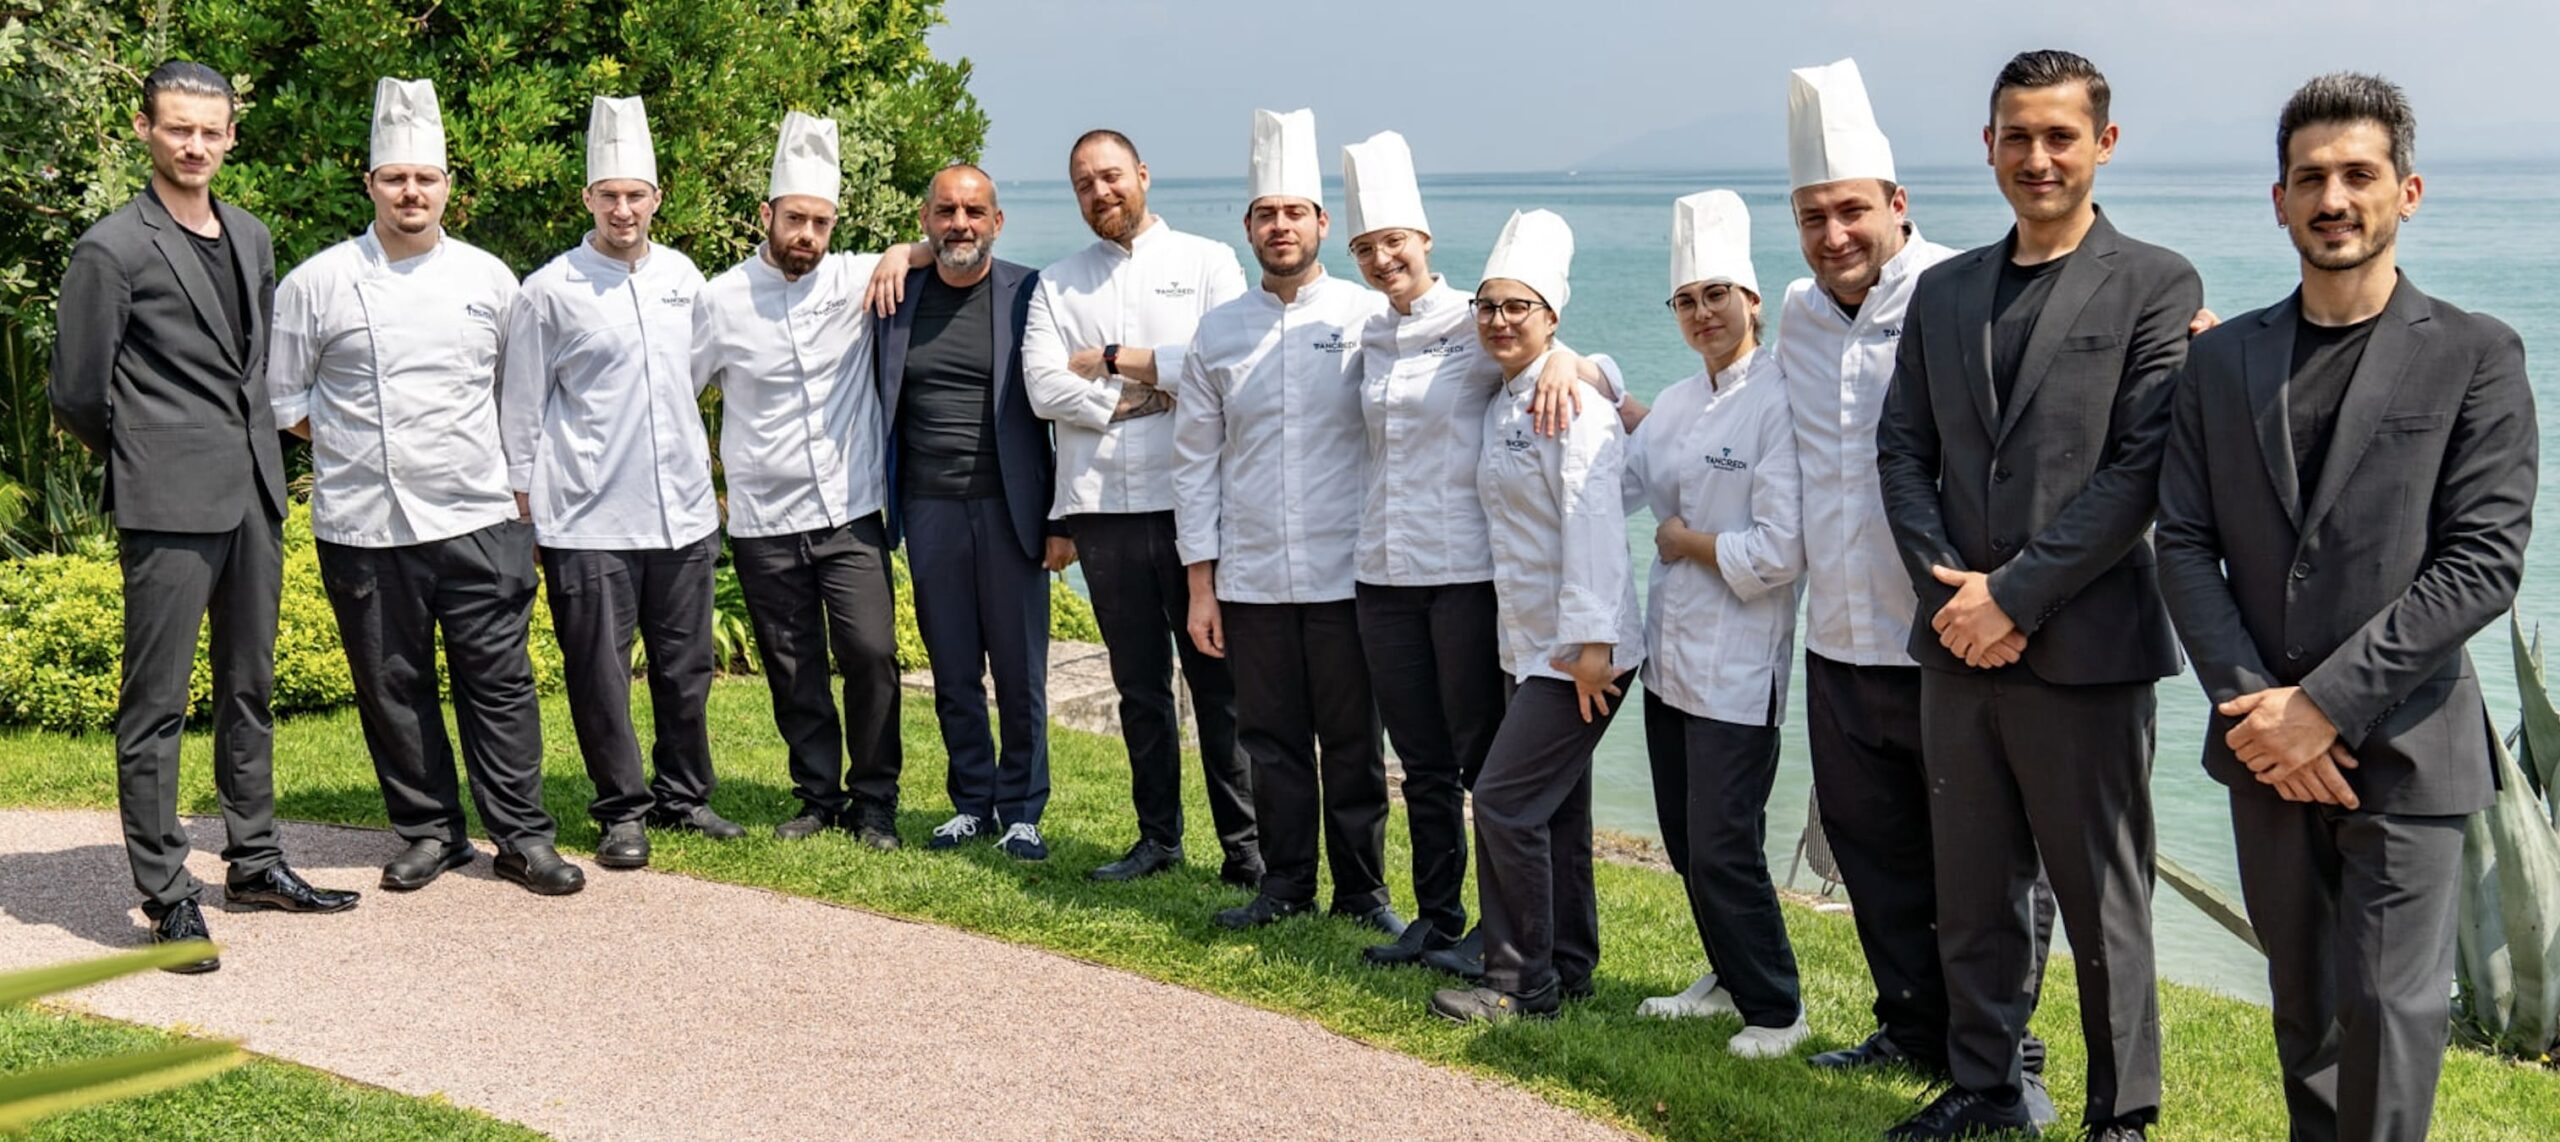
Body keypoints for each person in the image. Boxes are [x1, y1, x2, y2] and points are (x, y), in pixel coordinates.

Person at [2156, 72, 2535, 1142]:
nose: (2334, 197)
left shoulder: (2476, 356)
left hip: (2408, 748)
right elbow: (2181, 538)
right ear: (2275, 199)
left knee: (2388, 1012)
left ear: (2406, 191)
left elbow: (2481, 561)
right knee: (2306, 1012)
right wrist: (2254, 708)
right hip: (2263, 747)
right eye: (2309, 177)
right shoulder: (2220, 361)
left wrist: (2320, 705)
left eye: (2357, 174)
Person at [1876, 50, 2201, 1141]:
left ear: (2101, 145)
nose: (2036, 156)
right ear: (1987, 145)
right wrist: (1950, 597)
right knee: (1971, 884)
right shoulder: (1943, 288)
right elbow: (1901, 452)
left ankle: (2122, 1110)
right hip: (1955, 647)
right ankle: (1985, 1080)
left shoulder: (2157, 282)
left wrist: (2012, 595)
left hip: (2088, 645)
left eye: (2059, 135)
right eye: (2016, 135)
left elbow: (2139, 470)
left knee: (2103, 897)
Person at [49, 60, 360, 973]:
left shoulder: (255, 237)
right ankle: (167, 893)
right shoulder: (112, 248)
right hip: (167, 502)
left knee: (249, 689)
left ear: (231, 136)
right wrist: (151, 454)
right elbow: (76, 393)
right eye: (177, 127)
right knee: (154, 706)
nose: (194, 143)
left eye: (209, 129)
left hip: (256, 493)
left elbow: (249, 369)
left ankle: (256, 861)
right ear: (145, 129)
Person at [1774, 57, 2047, 1079]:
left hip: (1948, 637)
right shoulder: (1795, 316)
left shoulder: (1966, 293)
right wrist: (1584, 369)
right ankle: (1909, 1025)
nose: (1834, 233)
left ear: (1896, 202)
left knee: (1983, 860)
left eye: (1850, 209)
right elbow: (1733, 403)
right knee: (1874, 851)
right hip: (1836, 637)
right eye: (1811, 215)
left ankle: (2004, 1043)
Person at [269, 78, 579, 897]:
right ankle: (428, 832)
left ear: (448, 187)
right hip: (364, 524)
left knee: (501, 686)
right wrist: (357, 445)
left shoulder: (490, 279)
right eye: (396, 178)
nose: (412, 192)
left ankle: (520, 837)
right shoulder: (317, 282)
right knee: (392, 688)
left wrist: (520, 497)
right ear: (369, 184)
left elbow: (517, 398)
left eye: (426, 178)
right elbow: (284, 400)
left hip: (479, 514)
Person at [1337, 130, 1607, 971]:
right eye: (1367, 247)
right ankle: (1436, 915)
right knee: (1417, 760)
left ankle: (1510, 932)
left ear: (1424, 241)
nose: (1384, 259)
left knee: (1484, 760)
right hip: (1381, 574)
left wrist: (1571, 358)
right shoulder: (1367, 336)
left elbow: (1579, 369)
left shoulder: (1475, 321)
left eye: (1395, 242)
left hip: (1463, 579)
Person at [502, 95, 744, 872]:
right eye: (609, 196)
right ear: (587, 201)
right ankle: (621, 811)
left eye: (635, 195)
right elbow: (522, 403)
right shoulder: (549, 289)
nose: (622, 209)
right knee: (600, 674)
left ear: (656, 199)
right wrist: (523, 507)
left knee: (685, 667)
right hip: (586, 519)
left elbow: (699, 374)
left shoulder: (684, 277)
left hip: (681, 514)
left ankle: (684, 796)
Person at [1175, 108, 1399, 935]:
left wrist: (1575, 363)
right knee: (1267, 740)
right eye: (1266, 214)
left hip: (1352, 573)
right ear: (1248, 228)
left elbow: (1465, 350)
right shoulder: (1218, 332)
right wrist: (1202, 585)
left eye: (1294, 212)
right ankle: (1284, 885)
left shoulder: (1366, 318)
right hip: (1254, 573)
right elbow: (1195, 465)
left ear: (1321, 224)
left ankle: (1365, 891)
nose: (1280, 226)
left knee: (1352, 741)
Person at [1021, 129, 1259, 885]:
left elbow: (1224, 366)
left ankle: (1246, 850)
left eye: (1112, 176)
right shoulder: (1059, 283)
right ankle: (1158, 839)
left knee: (1219, 688)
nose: (1102, 193)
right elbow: (1040, 387)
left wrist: (1116, 363)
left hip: (1194, 508)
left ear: (1143, 175)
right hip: (1100, 510)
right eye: (1086, 183)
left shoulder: (1208, 261)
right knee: (1139, 688)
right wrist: (1150, 396)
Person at [1428, 209, 1643, 1023]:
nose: (1500, 321)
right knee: (1557, 810)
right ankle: (1570, 964)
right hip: (1530, 641)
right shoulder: (1502, 401)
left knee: (1507, 801)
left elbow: (1594, 518)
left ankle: (1520, 984)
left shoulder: (1571, 406)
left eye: (1519, 307)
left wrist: (1591, 646)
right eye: (1488, 306)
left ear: (1552, 316)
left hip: (1581, 650)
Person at [1623, 190, 1807, 1058]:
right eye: (1688, 300)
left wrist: (1684, 541)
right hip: (1671, 657)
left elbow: (1779, 549)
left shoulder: (1779, 397)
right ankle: (1726, 975)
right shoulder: (1675, 399)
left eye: (1717, 296)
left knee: (1727, 844)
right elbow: (1627, 461)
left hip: (1740, 661)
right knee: (1685, 837)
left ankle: (1777, 1007)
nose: (1702, 314)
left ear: (1754, 300)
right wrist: (1578, 373)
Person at [693, 112, 909, 848]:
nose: (806, 236)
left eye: (819, 222)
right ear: (767, 216)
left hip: (851, 511)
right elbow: (677, 394)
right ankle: (817, 797)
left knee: (872, 654)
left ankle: (874, 799)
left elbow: (944, 248)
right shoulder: (719, 299)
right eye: (794, 220)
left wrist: (897, 253)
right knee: (793, 667)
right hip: (762, 518)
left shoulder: (856, 276)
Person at [877, 163, 1065, 861]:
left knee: (1020, 673)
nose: (961, 224)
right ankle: (971, 802)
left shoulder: (1030, 293)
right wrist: (899, 255)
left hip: (1012, 508)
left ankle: (1022, 810)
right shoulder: (898, 292)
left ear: (997, 222)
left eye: (975, 212)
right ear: (926, 220)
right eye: (947, 211)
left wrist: (1062, 519)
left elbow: (1061, 414)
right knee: (953, 668)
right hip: (928, 509)